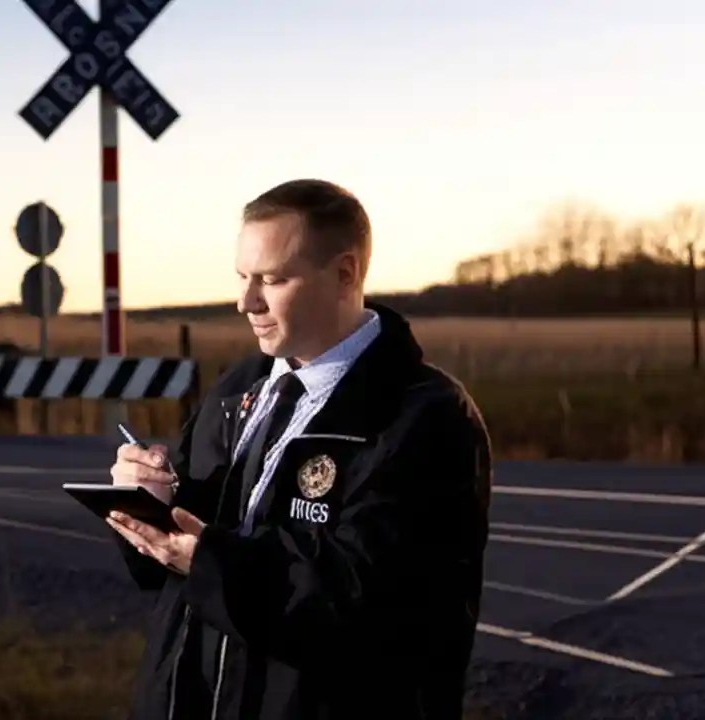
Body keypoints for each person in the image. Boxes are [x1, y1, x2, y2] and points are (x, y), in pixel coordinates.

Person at [106, 179, 492, 720]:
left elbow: (367, 606)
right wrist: (150, 505)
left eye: (273, 279)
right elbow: (174, 576)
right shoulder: (237, 390)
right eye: (242, 277)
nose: (246, 302)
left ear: (345, 274)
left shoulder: (420, 416)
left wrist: (209, 561)